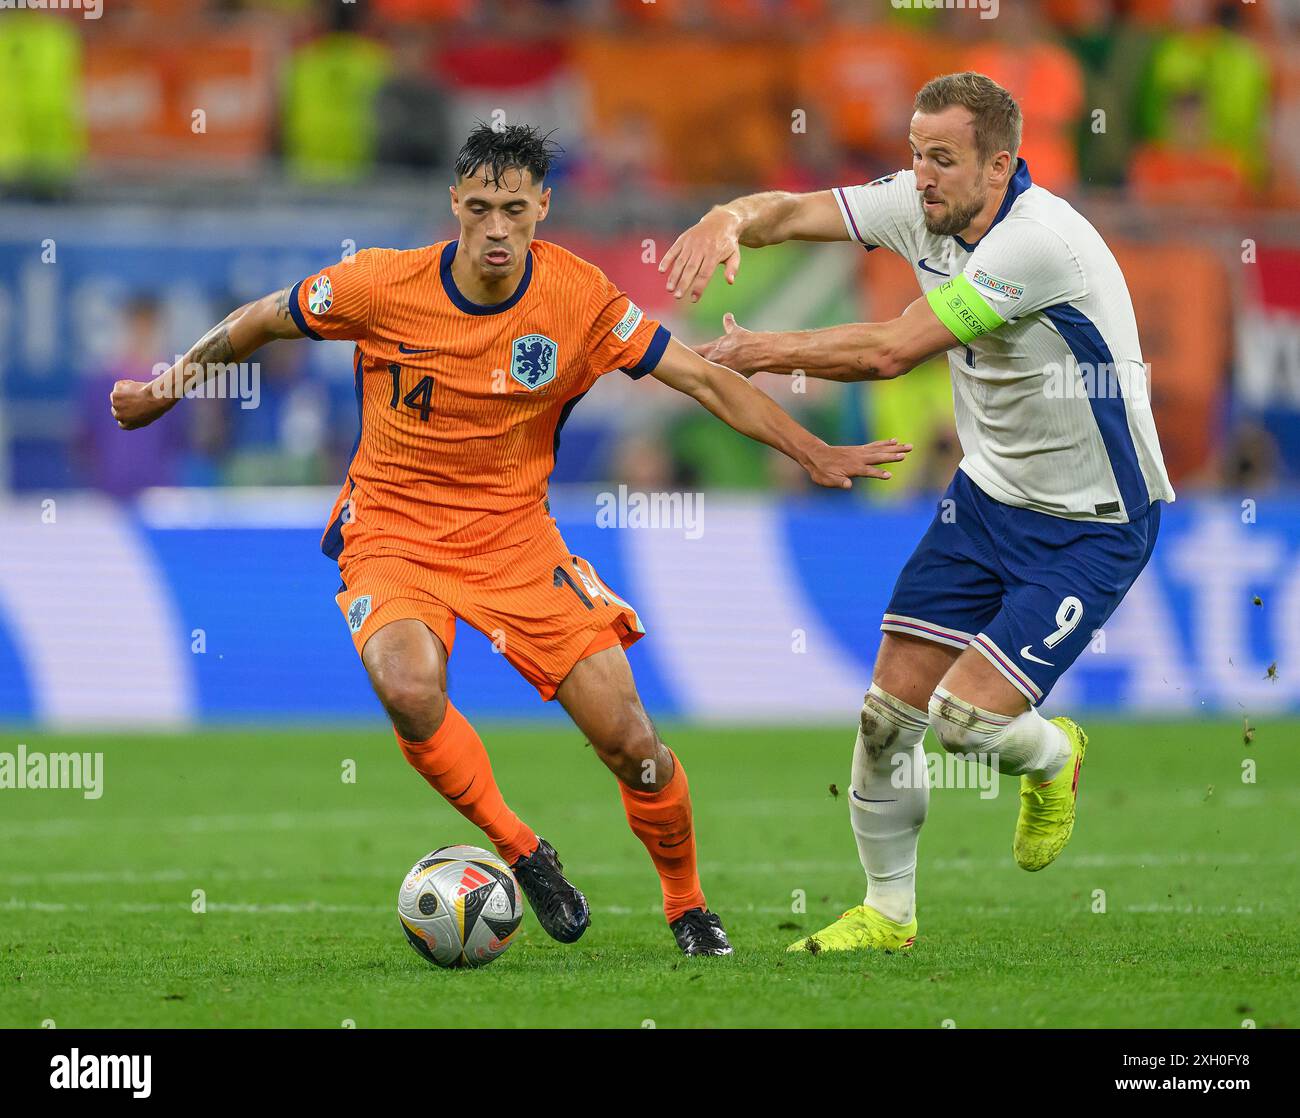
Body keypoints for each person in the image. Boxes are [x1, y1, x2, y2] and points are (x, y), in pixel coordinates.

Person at [109, 123, 910, 958]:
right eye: (482, 208)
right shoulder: (380, 284)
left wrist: (810, 448)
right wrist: (168, 388)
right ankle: (522, 850)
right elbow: (264, 319)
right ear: (455, 204)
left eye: (516, 210)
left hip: (518, 542)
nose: (497, 228)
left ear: (543, 209)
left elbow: (703, 377)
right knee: (410, 688)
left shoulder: (581, 299)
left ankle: (688, 906)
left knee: (633, 745)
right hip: (394, 530)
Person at [662, 72, 1174, 955]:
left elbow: (895, 348)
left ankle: (1054, 757)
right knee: (884, 715)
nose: (921, 176)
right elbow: (786, 214)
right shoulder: (921, 205)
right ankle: (887, 912)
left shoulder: (1039, 245)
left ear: (999, 164)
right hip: (986, 499)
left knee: (964, 723)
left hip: (1094, 520)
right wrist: (728, 219)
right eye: (914, 156)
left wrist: (756, 351)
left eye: (942, 159)